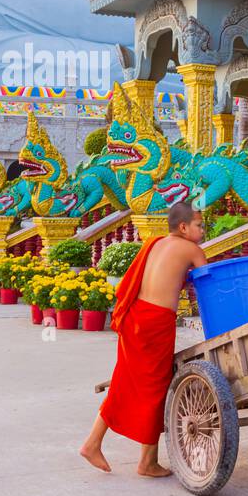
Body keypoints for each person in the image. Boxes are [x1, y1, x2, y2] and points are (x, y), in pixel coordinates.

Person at [80, 202, 207, 476]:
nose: (203, 230)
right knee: (155, 387)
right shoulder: (192, 249)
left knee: (127, 381)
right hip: (156, 323)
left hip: (135, 316)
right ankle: (147, 462)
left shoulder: (156, 242)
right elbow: (208, 281)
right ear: (184, 228)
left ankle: (93, 443)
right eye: (199, 225)